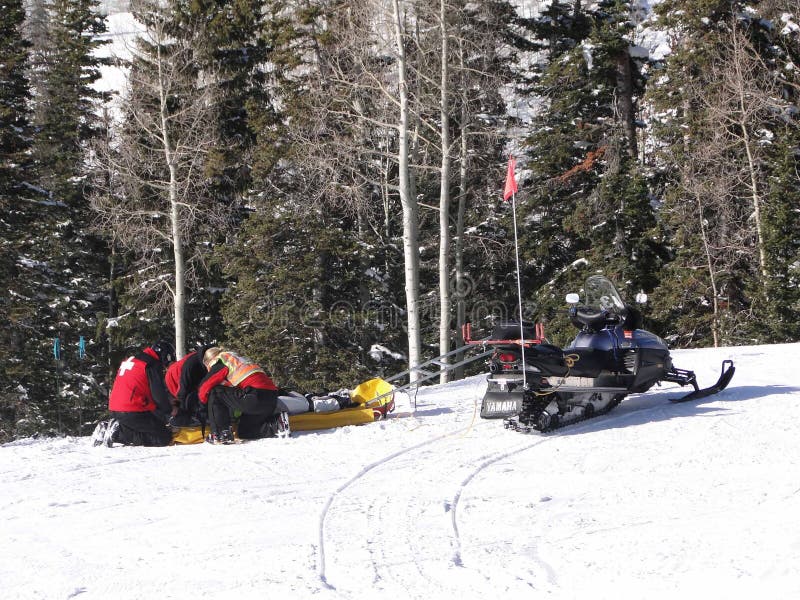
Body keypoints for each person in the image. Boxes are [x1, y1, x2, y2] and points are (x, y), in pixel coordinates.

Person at [92, 340, 176, 447]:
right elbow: (158, 395)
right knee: (163, 437)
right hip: (132, 410)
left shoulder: (135, 360)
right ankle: (119, 432)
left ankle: (110, 427)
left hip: (116, 407)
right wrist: (169, 410)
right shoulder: (151, 364)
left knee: (157, 424)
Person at [197, 347, 290, 444]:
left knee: (215, 392)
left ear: (209, 361)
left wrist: (202, 405)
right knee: (244, 431)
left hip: (254, 395)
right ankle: (277, 425)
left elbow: (205, 385)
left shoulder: (221, 361)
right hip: (270, 398)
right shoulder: (238, 360)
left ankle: (220, 434)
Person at [164, 344, 214, 427]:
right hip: (174, 379)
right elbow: (183, 391)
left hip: (188, 379)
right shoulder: (191, 365)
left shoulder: (210, 360)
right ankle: (181, 420)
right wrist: (181, 412)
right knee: (189, 399)